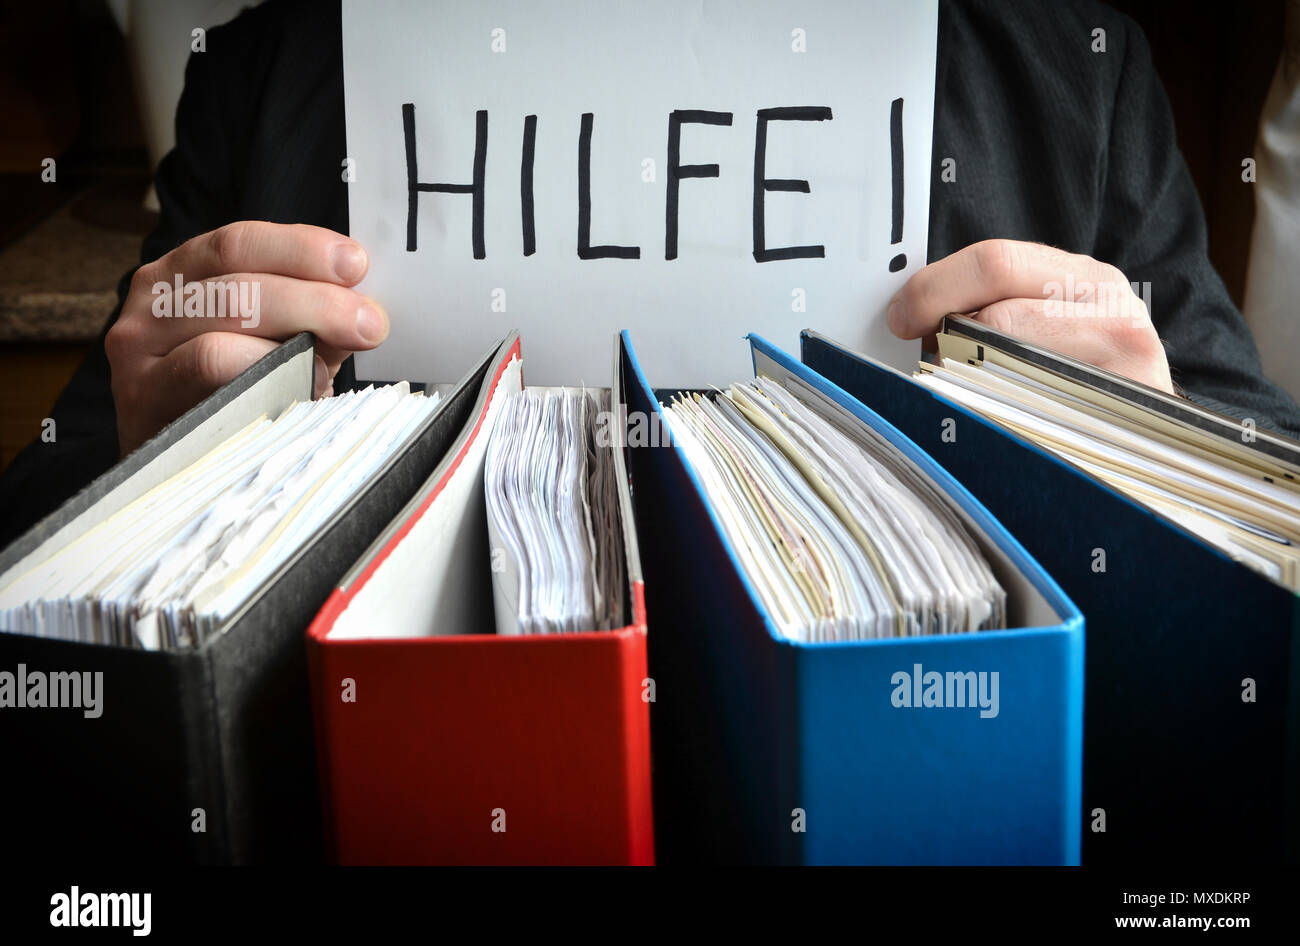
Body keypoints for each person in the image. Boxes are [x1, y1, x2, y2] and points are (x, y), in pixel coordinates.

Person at [2, 0, 1297, 551]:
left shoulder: (1069, 71)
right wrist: (131, 451)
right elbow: (38, 530)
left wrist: (1157, 447)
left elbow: (1266, 482)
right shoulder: (273, 69)